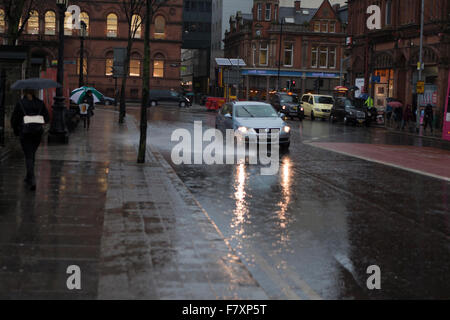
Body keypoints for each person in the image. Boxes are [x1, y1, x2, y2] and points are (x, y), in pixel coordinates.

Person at [11, 89, 50, 191]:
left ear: (24, 92)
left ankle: (32, 179)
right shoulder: (40, 103)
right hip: (37, 133)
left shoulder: (20, 103)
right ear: (34, 92)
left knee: (29, 155)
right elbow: (47, 118)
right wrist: (38, 120)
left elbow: (14, 119)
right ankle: (28, 176)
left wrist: (16, 130)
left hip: (25, 133)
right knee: (31, 154)